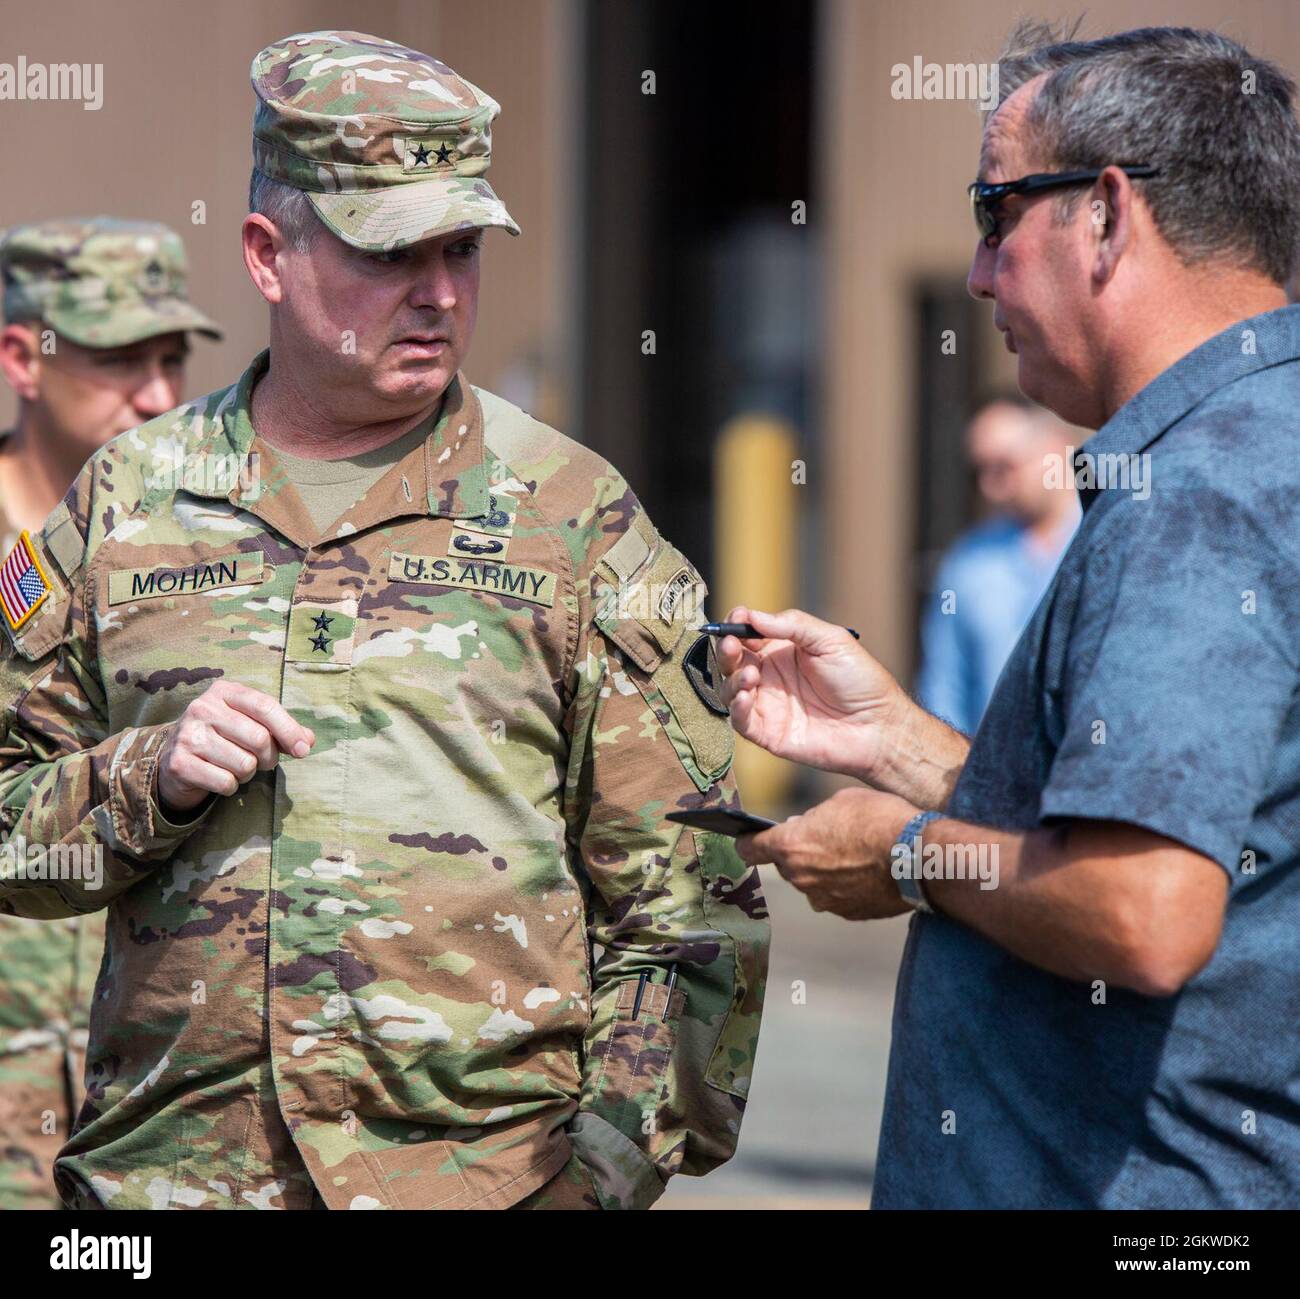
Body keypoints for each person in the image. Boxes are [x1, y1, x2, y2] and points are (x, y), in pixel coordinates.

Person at [0, 30, 768, 1212]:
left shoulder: (573, 515)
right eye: (392, 251)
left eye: (462, 249)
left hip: (481, 1183)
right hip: (168, 1190)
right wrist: (141, 778)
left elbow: (690, 896)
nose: (441, 294)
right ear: (268, 254)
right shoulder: (123, 501)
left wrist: (609, 1169)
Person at [718, 22, 1300, 1209]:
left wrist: (901, 852)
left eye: (994, 213)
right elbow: (1180, 840)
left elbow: (1144, 910)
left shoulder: (1197, 491)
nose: (978, 273)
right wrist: (901, 747)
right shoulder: (1260, 438)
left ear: (1105, 212)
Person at [0, 217, 221, 1209]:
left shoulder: (200, 558)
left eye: (171, 359)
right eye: (120, 359)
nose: (160, 395)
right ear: (23, 357)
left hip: (150, 1092)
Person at [915, 394, 1078, 734]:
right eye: (981, 471)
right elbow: (944, 689)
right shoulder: (969, 562)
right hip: (990, 776)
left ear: (1059, 448)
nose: (991, 488)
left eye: (1004, 466)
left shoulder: (1106, 538)